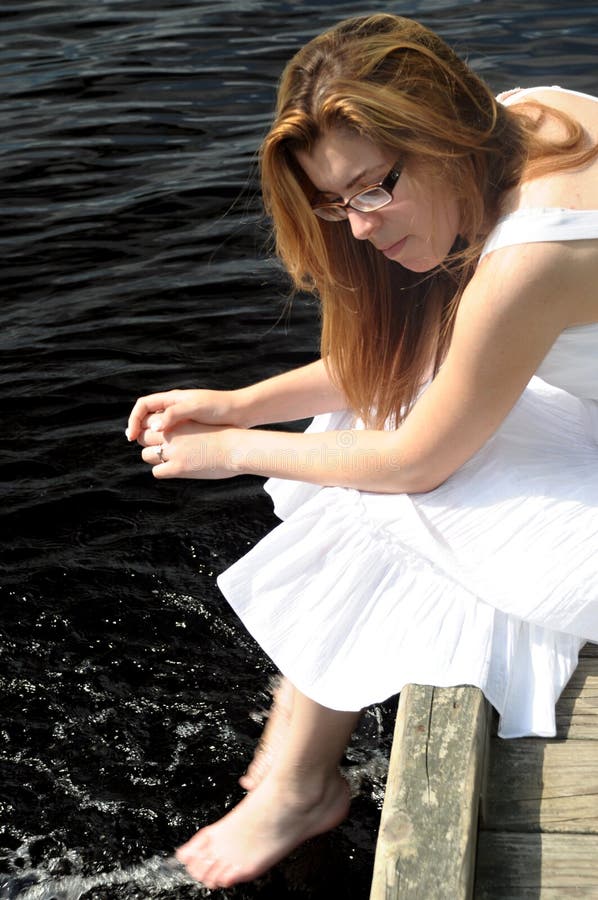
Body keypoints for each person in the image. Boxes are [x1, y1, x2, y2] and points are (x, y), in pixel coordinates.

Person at [126, 13, 598, 891]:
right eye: (336, 204)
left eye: (372, 190)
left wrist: (237, 448)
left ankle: (300, 777)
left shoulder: (538, 256)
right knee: (368, 432)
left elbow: (417, 459)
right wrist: (242, 400)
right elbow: (425, 355)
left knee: (397, 483)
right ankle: (302, 757)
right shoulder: (528, 117)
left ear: (439, 135)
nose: (358, 229)